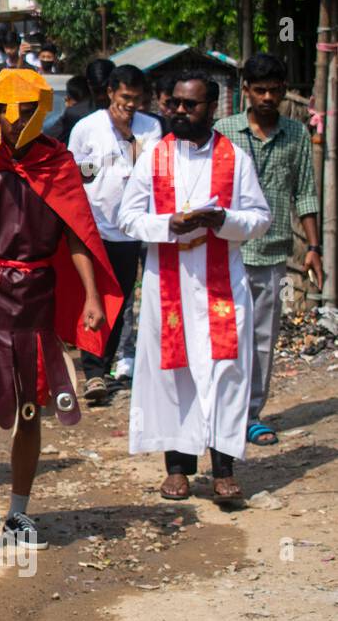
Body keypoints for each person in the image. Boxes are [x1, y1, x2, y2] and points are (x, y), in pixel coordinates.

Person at [0, 70, 119, 550]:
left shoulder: (57, 164)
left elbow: (77, 232)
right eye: (7, 111)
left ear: (41, 110)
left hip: (33, 293)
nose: (15, 121)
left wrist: (92, 296)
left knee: (30, 409)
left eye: (26, 111)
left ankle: (19, 512)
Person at [119, 71, 271, 502]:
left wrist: (224, 220)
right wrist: (170, 224)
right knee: (175, 369)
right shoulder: (153, 157)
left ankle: (223, 468)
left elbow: (260, 218)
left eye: (191, 105)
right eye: (175, 105)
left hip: (220, 281)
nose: (180, 112)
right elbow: (128, 218)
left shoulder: (236, 158)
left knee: (226, 369)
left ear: (212, 109)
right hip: (168, 281)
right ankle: (178, 467)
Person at [213, 53, 324, 447]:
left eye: (274, 91)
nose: (266, 97)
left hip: (272, 256)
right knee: (224, 335)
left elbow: (305, 193)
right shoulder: (223, 132)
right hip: (226, 254)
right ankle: (220, 411)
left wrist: (313, 247)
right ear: (245, 91)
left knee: (262, 338)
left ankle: (251, 415)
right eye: (259, 90)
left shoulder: (295, 134)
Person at [68, 64, 162, 403]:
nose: (130, 105)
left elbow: (151, 171)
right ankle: (92, 370)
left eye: (137, 99)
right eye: (125, 97)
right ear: (110, 93)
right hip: (93, 226)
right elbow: (76, 173)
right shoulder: (86, 128)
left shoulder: (150, 128)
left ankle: (104, 366)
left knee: (120, 300)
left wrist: (128, 138)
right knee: (92, 297)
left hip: (130, 229)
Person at [49, 58, 114, 142]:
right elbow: (50, 142)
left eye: (105, 90)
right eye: (97, 91)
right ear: (89, 85)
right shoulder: (75, 114)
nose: (101, 97)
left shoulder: (129, 114)